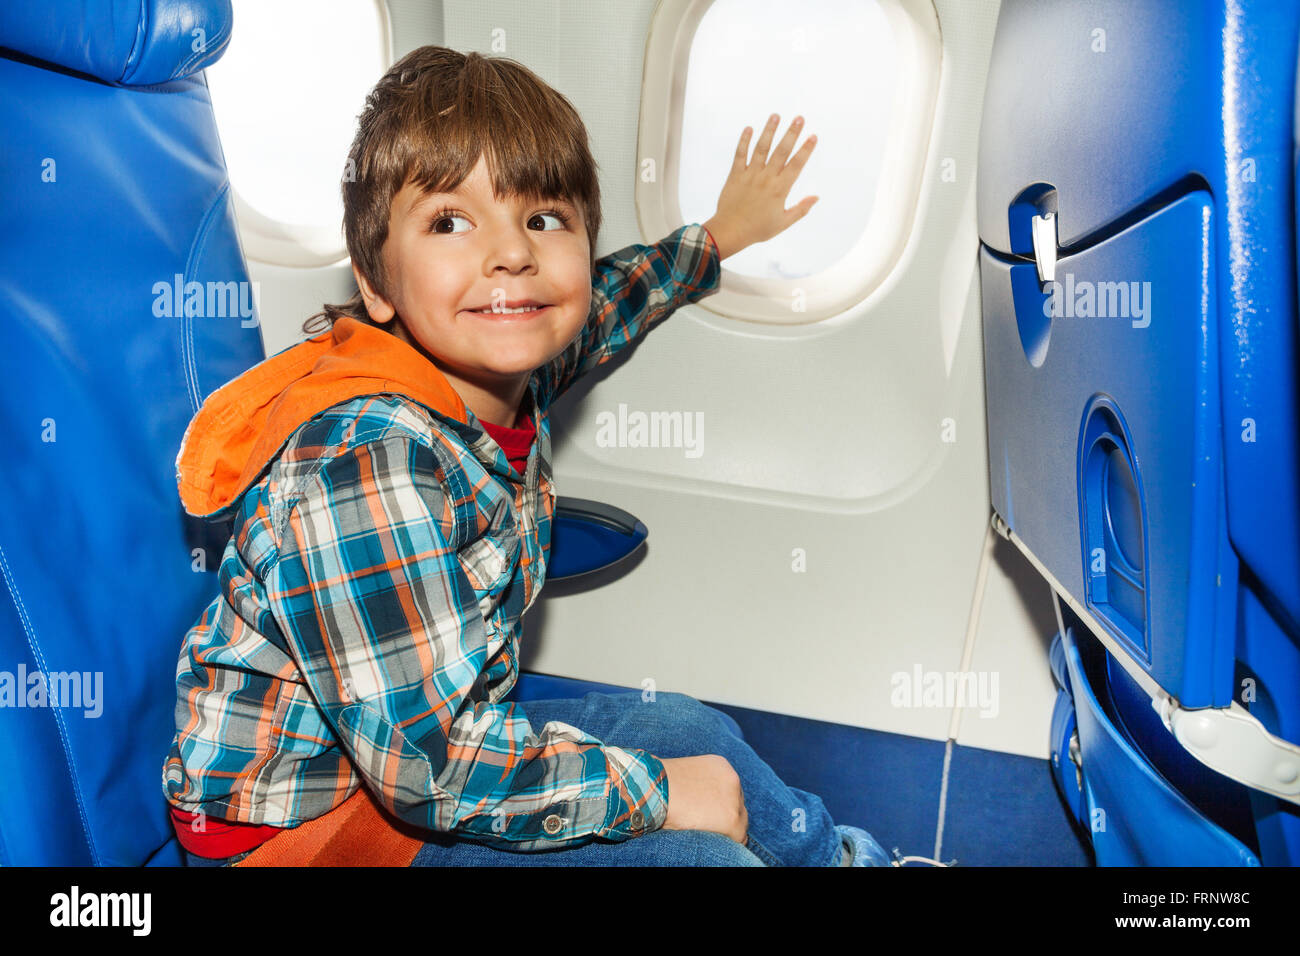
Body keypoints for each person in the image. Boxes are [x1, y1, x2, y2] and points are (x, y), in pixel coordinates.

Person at [163, 45, 890, 867]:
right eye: (450, 221)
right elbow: (429, 773)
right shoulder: (365, 462)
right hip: (304, 830)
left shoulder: (503, 373)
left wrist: (717, 239)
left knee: (692, 730)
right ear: (376, 283)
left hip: (410, 765)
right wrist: (658, 796)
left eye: (545, 218)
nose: (513, 253)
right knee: (699, 859)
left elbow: (611, 301)